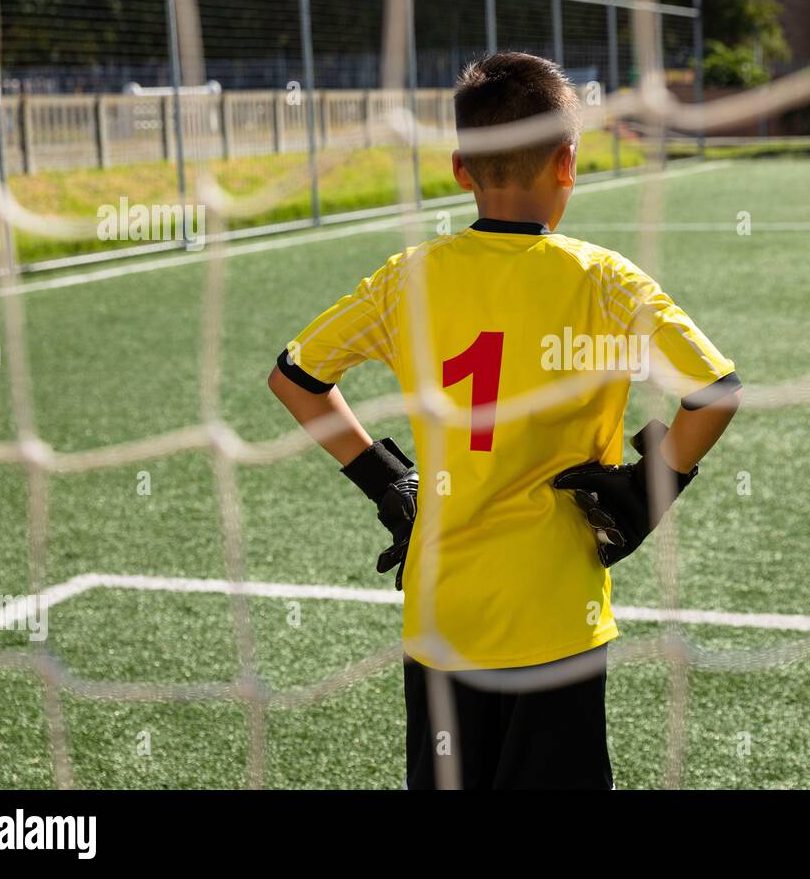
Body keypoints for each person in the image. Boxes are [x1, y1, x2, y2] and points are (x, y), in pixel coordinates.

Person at [267, 52, 741, 789]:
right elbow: (716, 393)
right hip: (557, 619)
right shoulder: (604, 281)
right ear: (568, 163)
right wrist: (648, 489)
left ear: (462, 169)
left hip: (441, 616)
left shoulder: (407, 279)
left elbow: (295, 378)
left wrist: (390, 483)